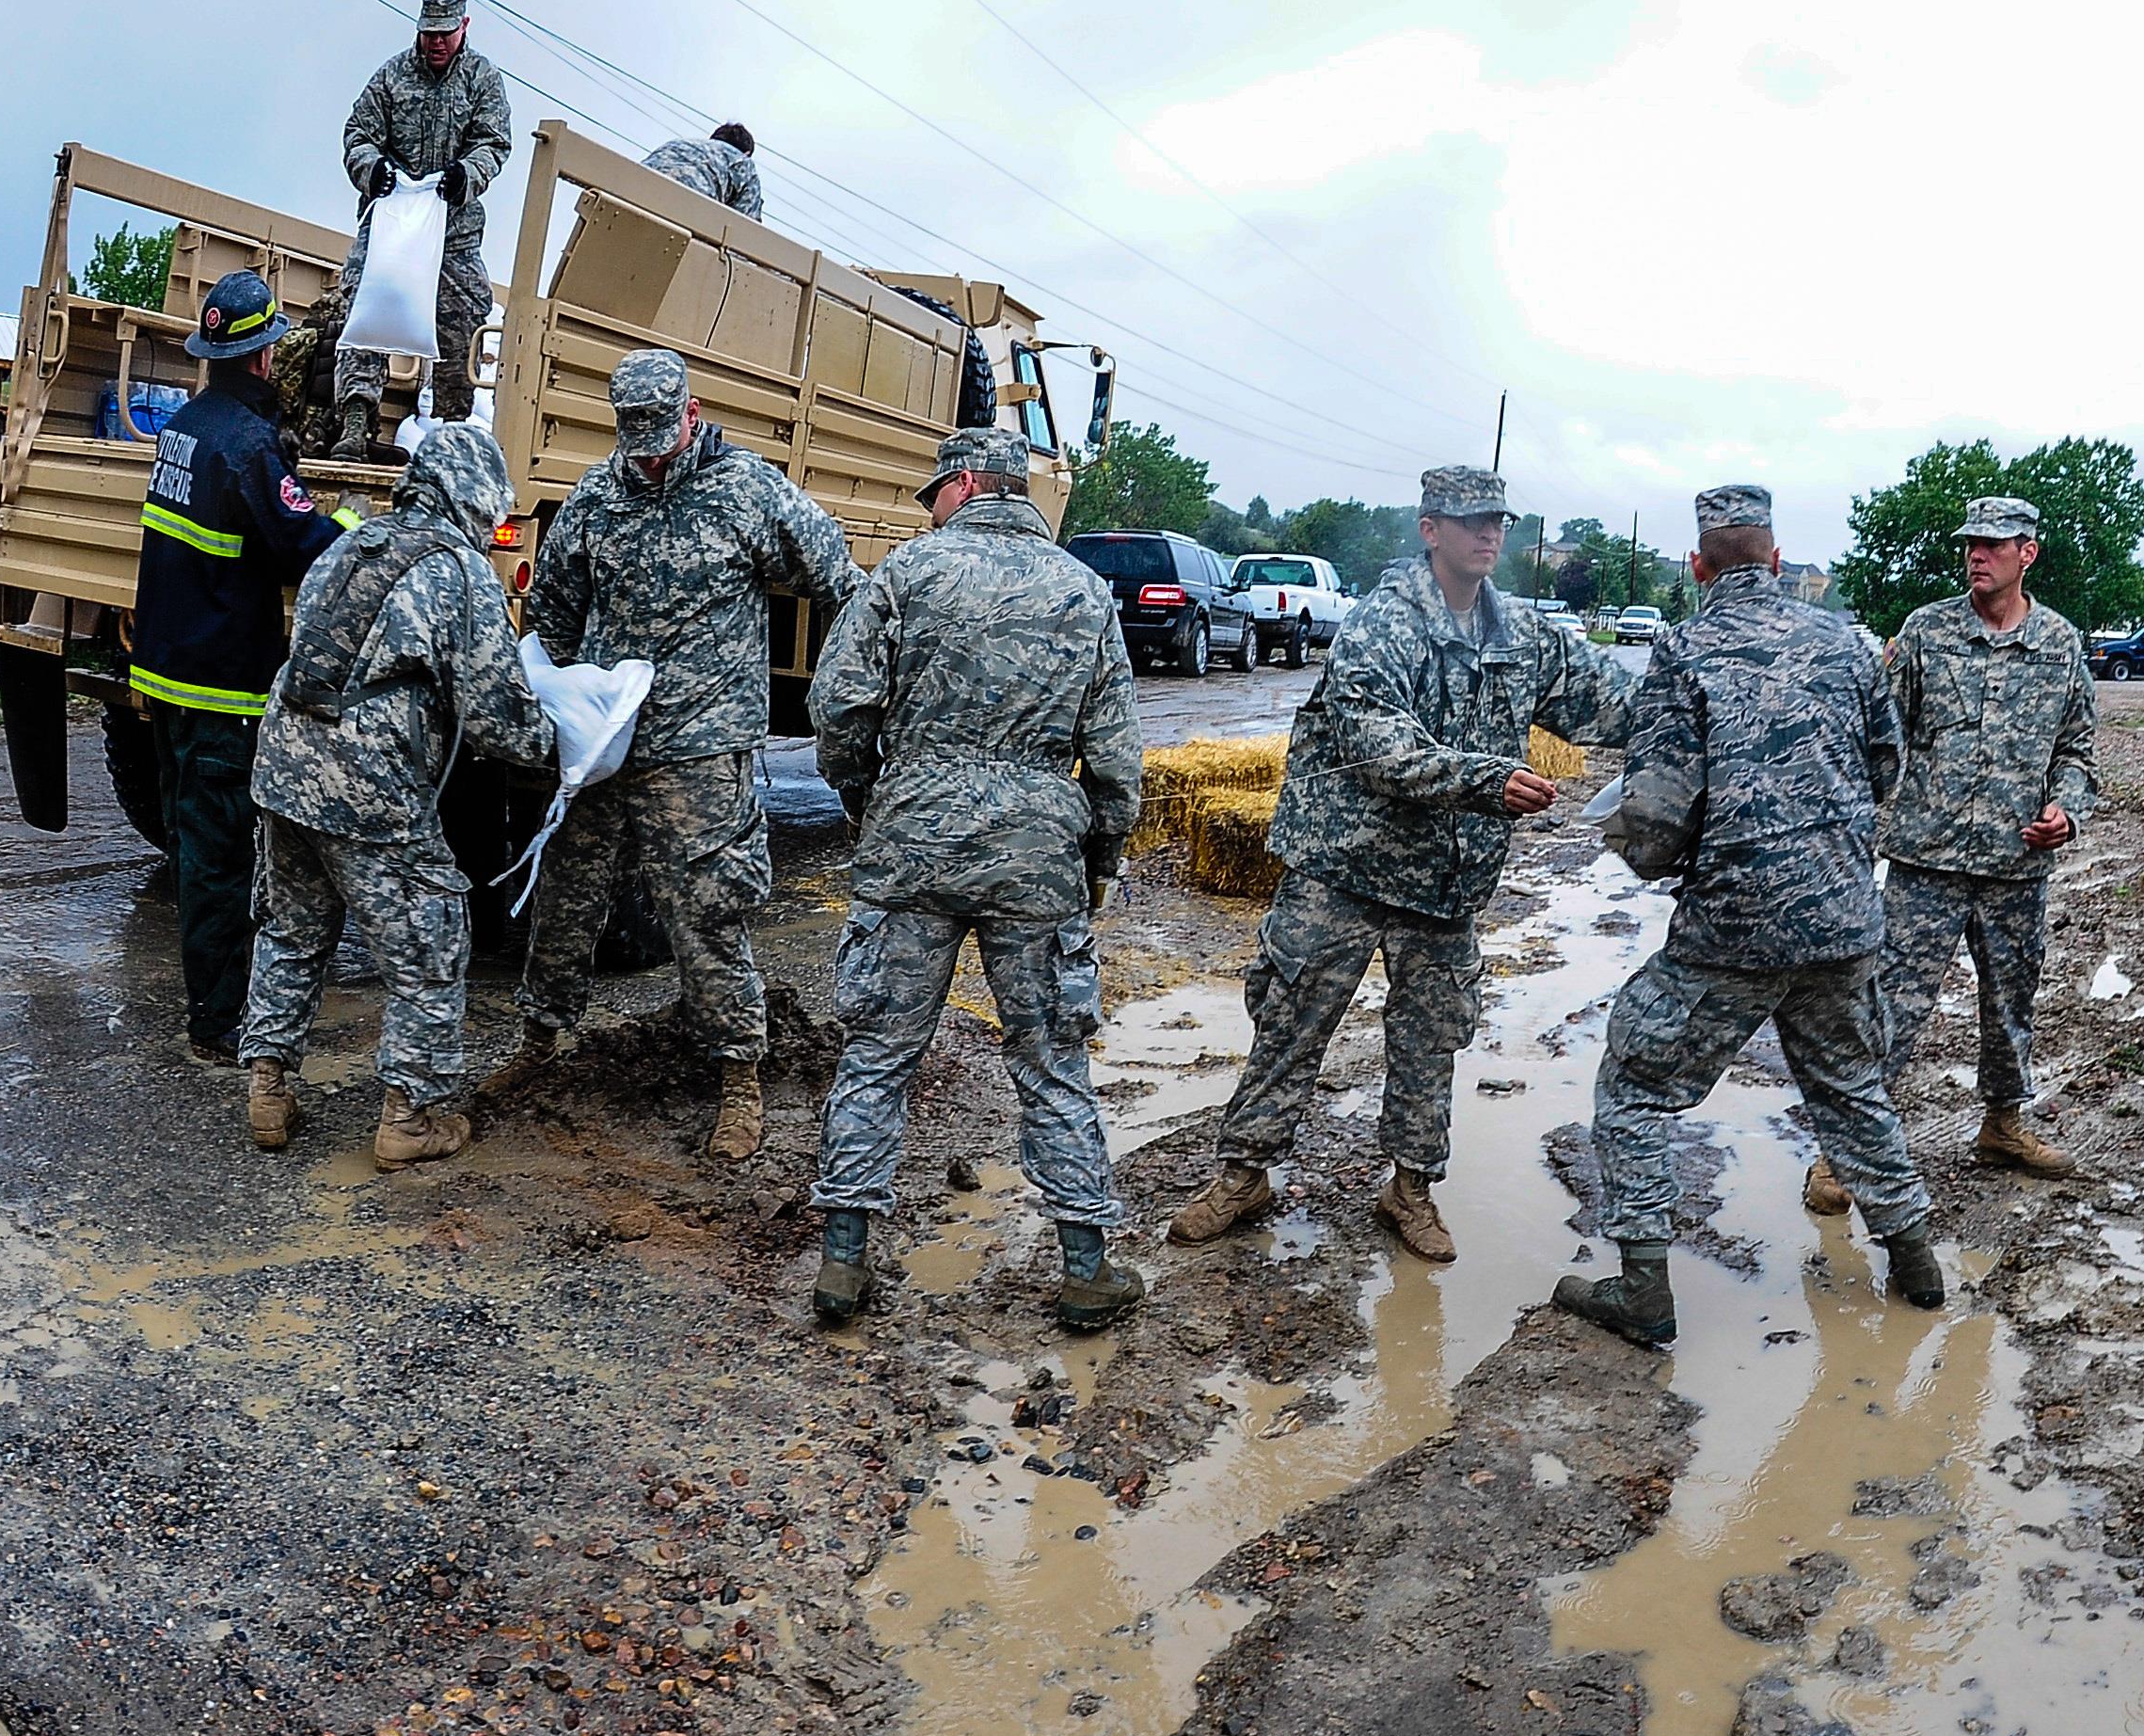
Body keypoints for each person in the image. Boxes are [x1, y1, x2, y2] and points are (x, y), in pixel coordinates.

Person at [1165, 466, 1636, 1261]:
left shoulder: (1522, 632)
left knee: (1432, 1037)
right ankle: (1244, 1175)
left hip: (1444, 884)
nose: (1490, 535)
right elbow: (1382, 749)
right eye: (1471, 522)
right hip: (1345, 868)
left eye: (1498, 522)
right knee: (1290, 1022)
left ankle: (1410, 1189)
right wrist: (1486, 780)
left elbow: (1612, 705)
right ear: (1430, 531)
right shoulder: (1382, 625)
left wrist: (1706, 707)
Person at [1559, 485, 1944, 1349]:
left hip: (1733, 924)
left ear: (1698, 567)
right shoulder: (1846, 642)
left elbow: (1656, 808)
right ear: (1777, 561)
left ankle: (1643, 1291)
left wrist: (1649, 852)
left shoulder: (1683, 649)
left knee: (1636, 1085)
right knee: (1850, 1087)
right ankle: (1916, 1262)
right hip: (1846, 916)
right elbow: (1887, 766)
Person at [803, 426, 1145, 1330]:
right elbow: (1115, 759)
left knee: (876, 1056)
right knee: (1051, 1061)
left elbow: (838, 704)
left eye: (931, 494)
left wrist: (868, 796)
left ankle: (842, 1265)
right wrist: (1098, 857)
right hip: (1036, 857)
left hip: (911, 843)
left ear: (959, 487)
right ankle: (1085, 1269)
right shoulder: (1084, 590)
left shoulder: (903, 576)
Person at [484, 350, 863, 1162]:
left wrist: (850, 694)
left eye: (662, 433)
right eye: (636, 435)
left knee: (707, 911)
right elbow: (552, 612)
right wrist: (557, 701)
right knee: (568, 897)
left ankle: (738, 1078)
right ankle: (540, 1039)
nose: (650, 451)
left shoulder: (748, 492)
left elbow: (841, 584)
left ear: (690, 413)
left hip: (701, 747)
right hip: (605, 748)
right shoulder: (595, 496)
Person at [238, 422, 556, 1165]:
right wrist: (566, 749)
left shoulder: (352, 544)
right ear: (473, 497)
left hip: (284, 763)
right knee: (430, 940)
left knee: (291, 930)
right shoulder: (461, 573)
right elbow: (498, 715)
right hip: (366, 783)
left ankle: (268, 1087)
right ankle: (409, 1120)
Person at [1813, 494, 2095, 1218]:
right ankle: (1840, 1153)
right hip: (1924, 861)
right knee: (1888, 1006)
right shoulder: (1925, 632)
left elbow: (2077, 752)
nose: (1977, 553)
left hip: (2015, 868)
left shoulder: (2061, 644)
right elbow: (1878, 732)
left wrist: (2066, 811)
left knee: (2010, 1007)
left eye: (1994, 544)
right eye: (1971, 542)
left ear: (2027, 553)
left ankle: (2003, 1127)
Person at [123, 269, 357, 1068]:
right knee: (221, 859)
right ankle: (217, 1024)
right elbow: (300, 546)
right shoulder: (249, 445)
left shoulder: (184, 427)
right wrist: (356, 527)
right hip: (218, 686)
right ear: (262, 359)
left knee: (195, 848)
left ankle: (213, 1004)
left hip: (164, 676)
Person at [328, 0, 515, 461]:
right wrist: (372, 170)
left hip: (453, 232)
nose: (436, 42)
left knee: (464, 320)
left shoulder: (482, 80)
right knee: (362, 311)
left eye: (445, 34)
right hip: (389, 226)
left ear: (464, 27)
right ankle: (355, 423)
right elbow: (358, 135)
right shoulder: (391, 77)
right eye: (429, 32)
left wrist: (468, 174)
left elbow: (494, 143)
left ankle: (452, 435)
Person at [643, 120, 766, 223]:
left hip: (632, 196)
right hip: (684, 217)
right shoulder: (743, 161)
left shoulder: (677, 143)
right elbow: (745, 227)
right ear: (747, 153)